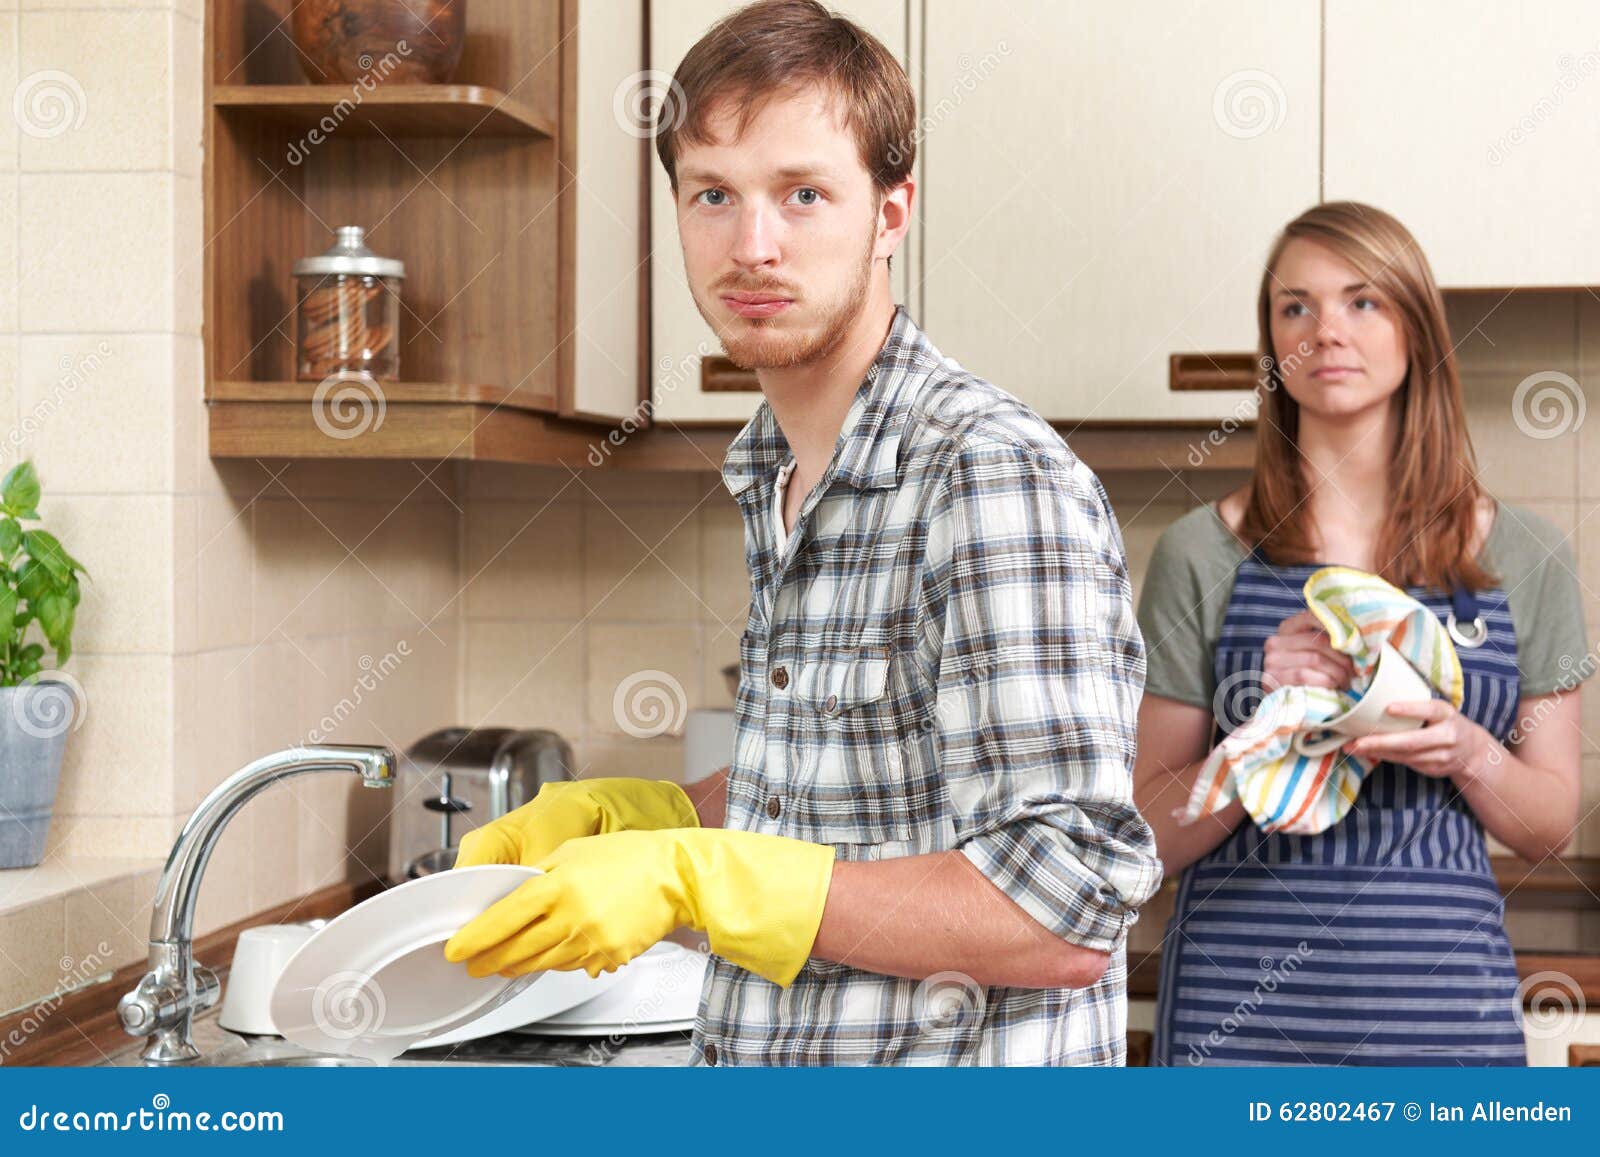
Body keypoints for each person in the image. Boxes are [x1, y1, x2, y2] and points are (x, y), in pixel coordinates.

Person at [442, 0, 1160, 1065]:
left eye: (804, 194)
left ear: (891, 211)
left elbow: (1061, 907)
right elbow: (855, 785)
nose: (752, 245)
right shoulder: (776, 469)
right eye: (713, 195)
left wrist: (694, 875)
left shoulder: (982, 472)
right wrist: (652, 818)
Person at [1134, 201, 1590, 1066]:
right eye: (1294, 306)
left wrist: (1467, 751)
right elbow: (1148, 835)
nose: (1324, 331)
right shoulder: (1205, 553)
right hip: (1237, 1025)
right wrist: (1269, 734)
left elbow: (1547, 825)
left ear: (1417, 328)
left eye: (1363, 302)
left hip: (1444, 1023)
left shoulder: (1525, 554)